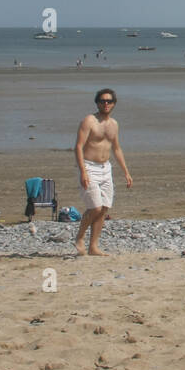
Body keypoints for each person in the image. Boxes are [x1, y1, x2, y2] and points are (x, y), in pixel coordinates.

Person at [73, 88, 133, 256]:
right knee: (95, 207)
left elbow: (117, 149)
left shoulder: (114, 124)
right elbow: (78, 146)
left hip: (105, 168)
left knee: (105, 208)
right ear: (97, 103)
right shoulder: (89, 121)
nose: (105, 104)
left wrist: (126, 172)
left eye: (109, 101)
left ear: (114, 104)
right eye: (102, 101)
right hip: (89, 166)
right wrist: (83, 172)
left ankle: (93, 247)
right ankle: (79, 237)